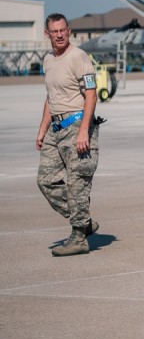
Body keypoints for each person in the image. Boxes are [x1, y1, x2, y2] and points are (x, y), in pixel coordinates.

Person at [35, 14, 101, 256]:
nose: (60, 34)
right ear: (47, 34)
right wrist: (42, 130)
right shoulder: (48, 60)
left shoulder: (79, 57)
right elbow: (50, 98)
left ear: (69, 31)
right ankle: (82, 220)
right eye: (55, 31)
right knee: (45, 180)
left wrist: (84, 130)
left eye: (63, 30)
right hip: (56, 128)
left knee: (77, 184)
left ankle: (78, 238)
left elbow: (91, 94)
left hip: (76, 126)